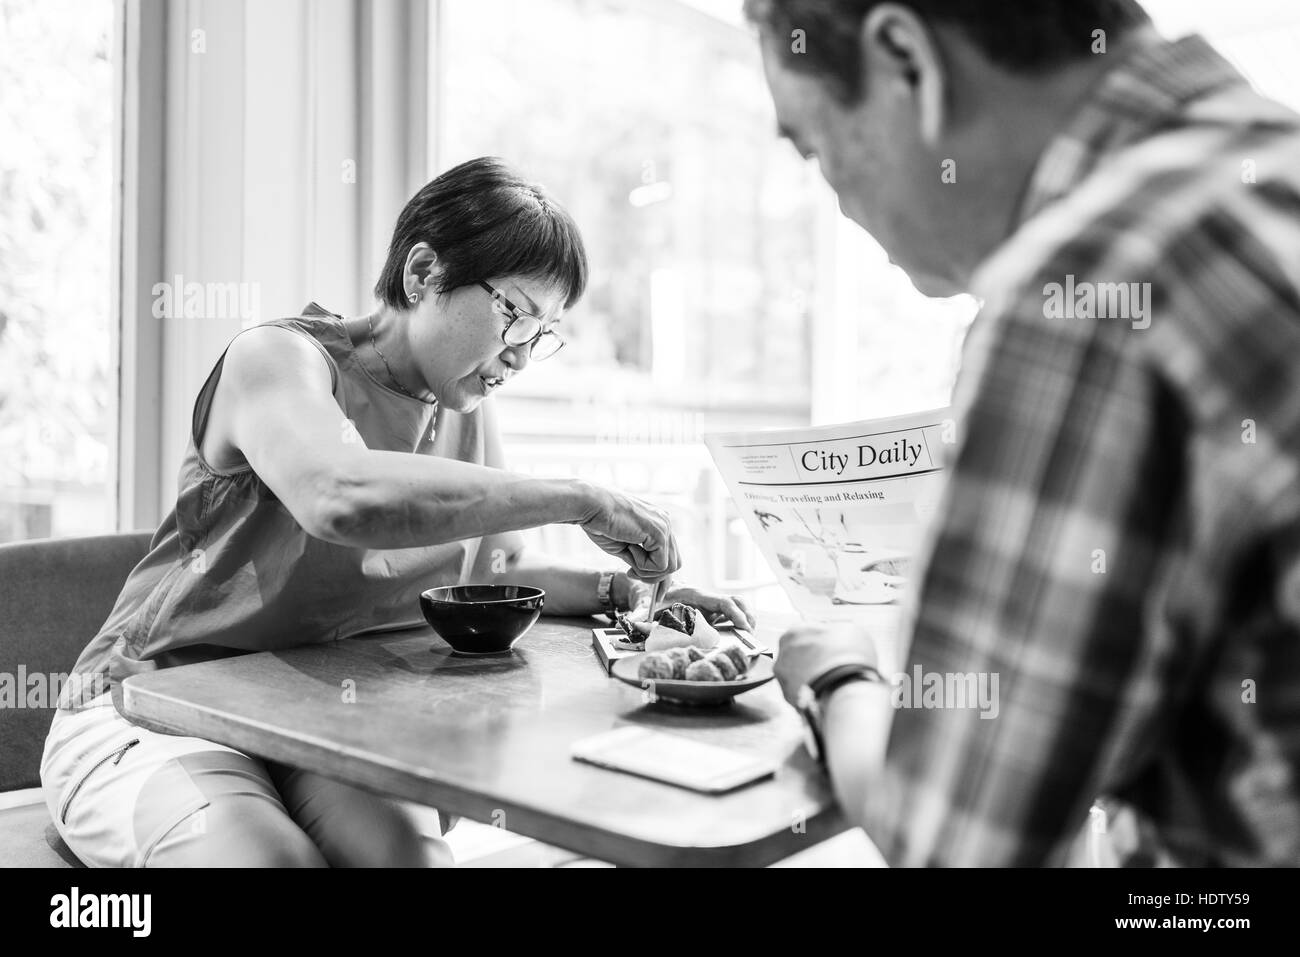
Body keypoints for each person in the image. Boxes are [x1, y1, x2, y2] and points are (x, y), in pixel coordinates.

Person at [42, 156, 755, 867]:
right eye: (513, 312)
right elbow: (340, 499)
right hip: (154, 701)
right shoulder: (279, 358)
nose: (522, 355)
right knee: (265, 862)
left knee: (406, 860)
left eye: (542, 332)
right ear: (423, 274)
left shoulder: (464, 404)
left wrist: (630, 593)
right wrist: (583, 499)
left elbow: (500, 572)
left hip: (307, 712)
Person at [749, 0, 1300, 865]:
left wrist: (839, 676)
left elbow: (960, 843)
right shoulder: (1264, 170)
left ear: (907, 64)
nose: (842, 203)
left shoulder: (1090, 286)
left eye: (816, 146)